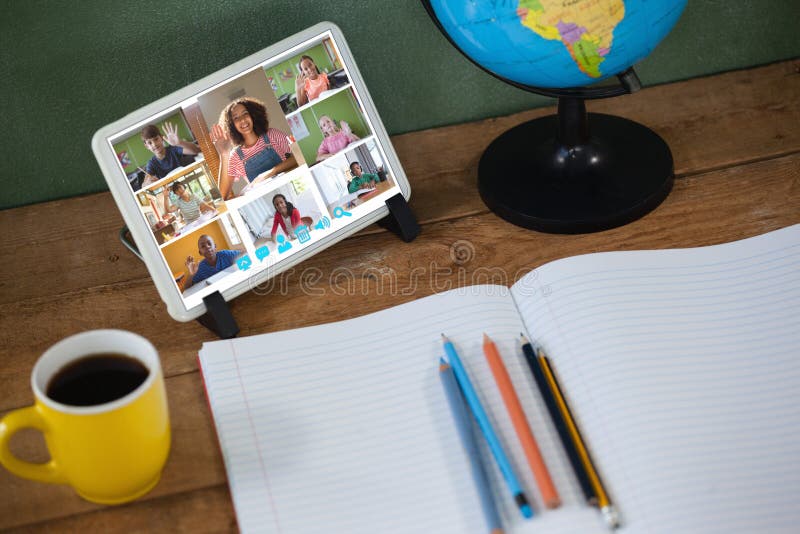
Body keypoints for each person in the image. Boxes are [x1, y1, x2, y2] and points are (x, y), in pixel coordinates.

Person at [210, 97, 298, 199]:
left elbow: (297, 157)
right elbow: (222, 196)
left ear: (253, 115)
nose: (242, 119)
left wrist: (272, 172)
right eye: (236, 118)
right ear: (231, 125)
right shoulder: (235, 156)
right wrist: (223, 154)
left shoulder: (272, 134)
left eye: (245, 113)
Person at [140, 122, 200, 187]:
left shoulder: (173, 149)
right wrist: (147, 183)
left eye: (156, 139)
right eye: (150, 143)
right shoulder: (151, 164)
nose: (154, 144)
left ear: (162, 138)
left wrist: (179, 143)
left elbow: (197, 150)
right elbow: (144, 185)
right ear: (146, 146)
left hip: (187, 181)